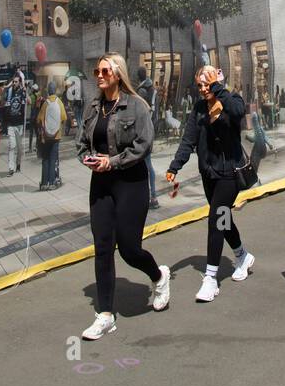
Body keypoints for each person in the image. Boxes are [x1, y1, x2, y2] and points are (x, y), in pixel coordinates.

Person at [77, 53, 170, 339]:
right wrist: (90, 158)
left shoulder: (137, 106)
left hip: (131, 182)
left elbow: (144, 145)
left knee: (129, 249)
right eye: (97, 71)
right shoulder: (93, 108)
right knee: (103, 247)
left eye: (105, 70)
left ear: (118, 74)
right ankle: (105, 315)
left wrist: (112, 161)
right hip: (101, 184)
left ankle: (159, 276)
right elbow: (81, 143)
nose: (99, 75)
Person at [166, 65, 256, 302]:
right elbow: (188, 140)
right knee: (224, 220)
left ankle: (210, 278)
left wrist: (218, 87)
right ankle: (242, 256)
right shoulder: (198, 108)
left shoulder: (231, 100)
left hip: (229, 174)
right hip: (209, 175)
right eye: (200, 85)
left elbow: (238, 112)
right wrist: (175, 166)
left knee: (216, 220)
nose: (204, 89)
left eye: (207, 84)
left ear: (217, 81)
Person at [36, 81, 70, 190]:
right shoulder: (59, 102)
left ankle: (44, 183)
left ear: (48, 90)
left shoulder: (45, 103)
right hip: (56, 136)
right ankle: (52, 182)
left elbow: (39, 119)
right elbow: (64, 117)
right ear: (55, 90)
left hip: (45, 137)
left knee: (45, 159)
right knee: (53, 158)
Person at [135, 66, 160, 209]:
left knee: (144, 165)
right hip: (150, 130)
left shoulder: (142, 91)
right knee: (148, 165)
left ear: (139, 77)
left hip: (143, 132)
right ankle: (153, 196)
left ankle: (150, 197)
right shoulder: (152, 89)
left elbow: (139, 113)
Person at [2, 74, 27, 174]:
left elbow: (28, 102)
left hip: (19, 124)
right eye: (13, 81)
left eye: (16, 82)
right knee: (12, 146)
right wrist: (6, 88)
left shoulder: (22, 92)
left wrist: (25, 91)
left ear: (20, 82)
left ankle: (18, 164)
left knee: (20, 148)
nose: (14, 83)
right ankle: (11, 168)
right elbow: (2, 101)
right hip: (11, 124)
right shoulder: (9, 92)